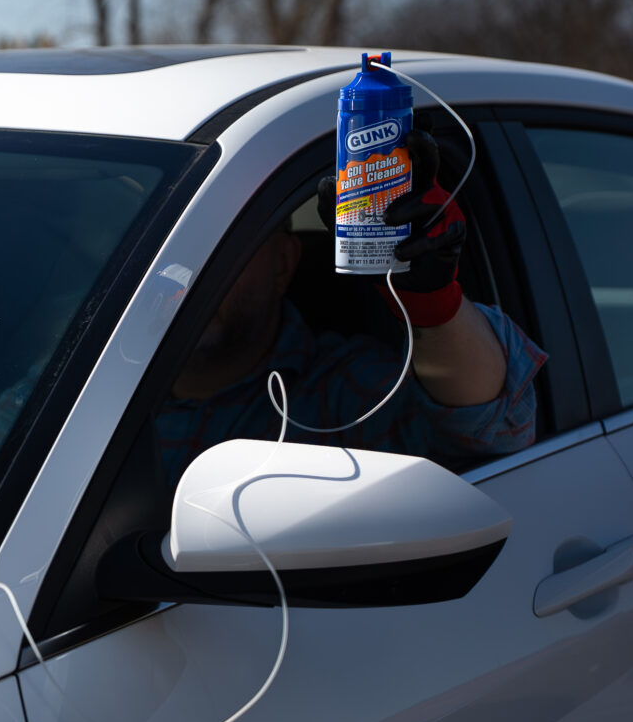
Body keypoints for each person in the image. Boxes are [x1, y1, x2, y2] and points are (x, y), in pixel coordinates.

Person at [157, 127, 545, 482]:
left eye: (221, 245)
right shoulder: (118, 362)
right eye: (169, 247)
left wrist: (433, 305)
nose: (186, 271)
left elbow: (491, 434)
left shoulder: (340, 395)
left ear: (283, 262)